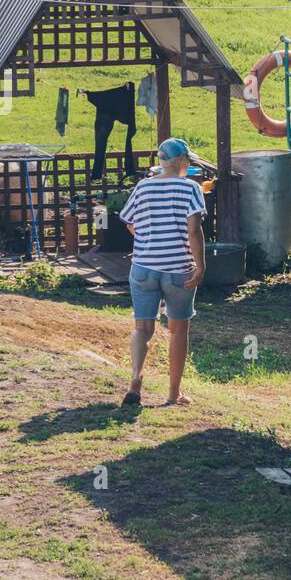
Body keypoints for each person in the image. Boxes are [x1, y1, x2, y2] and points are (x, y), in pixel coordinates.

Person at [118, 138, 206, 407]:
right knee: (178, 331)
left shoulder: (143, 187)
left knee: (143, 327)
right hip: (178, 269)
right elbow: (193, 230)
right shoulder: (190, 188)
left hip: (144, 266)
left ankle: (135, 378)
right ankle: (173, 394)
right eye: (188, 160)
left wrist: (147, 239)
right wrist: (200, 265)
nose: (188, 165)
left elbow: (129, 221)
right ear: (180, 161)